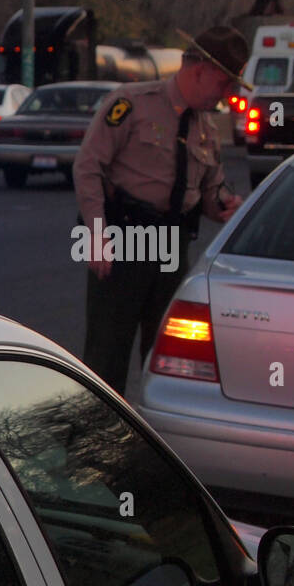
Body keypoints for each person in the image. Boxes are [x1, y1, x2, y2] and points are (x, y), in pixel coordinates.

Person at [73, 25, 250, 394]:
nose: (228, 94)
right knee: (106, 359)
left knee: (169, 360)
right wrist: (97, 234)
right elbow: (88, 166)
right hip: (125, 242)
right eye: (224, 83)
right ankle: (97, 447)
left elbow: (208, 193)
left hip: (172, 247)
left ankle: (155, 441)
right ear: (199, 70)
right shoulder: (132, 103)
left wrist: (223, 208)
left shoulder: (207, 128)